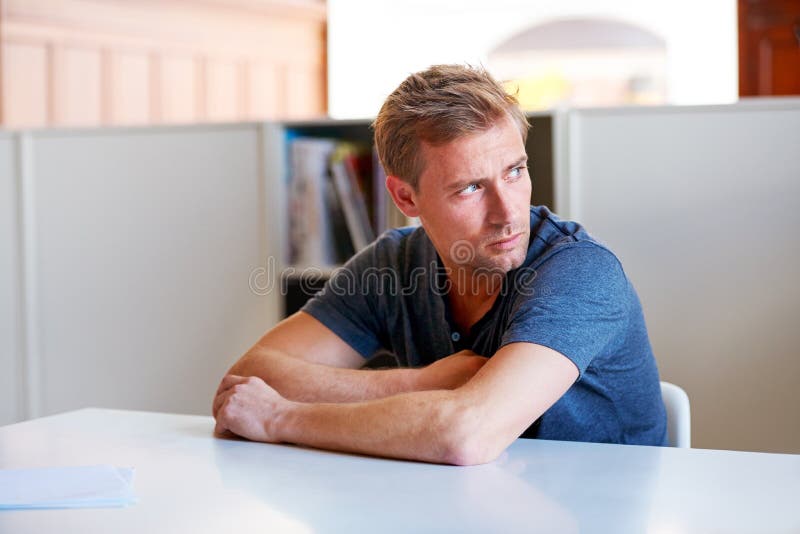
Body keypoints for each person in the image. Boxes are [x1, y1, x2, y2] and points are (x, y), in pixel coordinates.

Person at [212, 64, 667, 465]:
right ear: (406, 197)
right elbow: (251, 376)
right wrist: (417, 384)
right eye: (470, 188)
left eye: (515, 171)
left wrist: (280, 417)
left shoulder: (581, 272)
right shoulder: (394, 265)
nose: (507, 212)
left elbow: (465, 434)